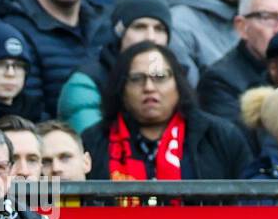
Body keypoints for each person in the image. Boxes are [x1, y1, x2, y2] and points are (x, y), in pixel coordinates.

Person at [82, 41, 249, 179]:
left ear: (178, 84)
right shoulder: (94, 141)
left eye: (160, 77)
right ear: (122, 89)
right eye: (137, 79)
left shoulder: (219, 136)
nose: (149, 87)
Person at [56, 0, 169, 134]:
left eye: (159, 29)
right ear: (119, 34)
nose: (150, 37)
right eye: (139, 27)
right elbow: (94, 146)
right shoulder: (87, 82)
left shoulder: (177, 81)